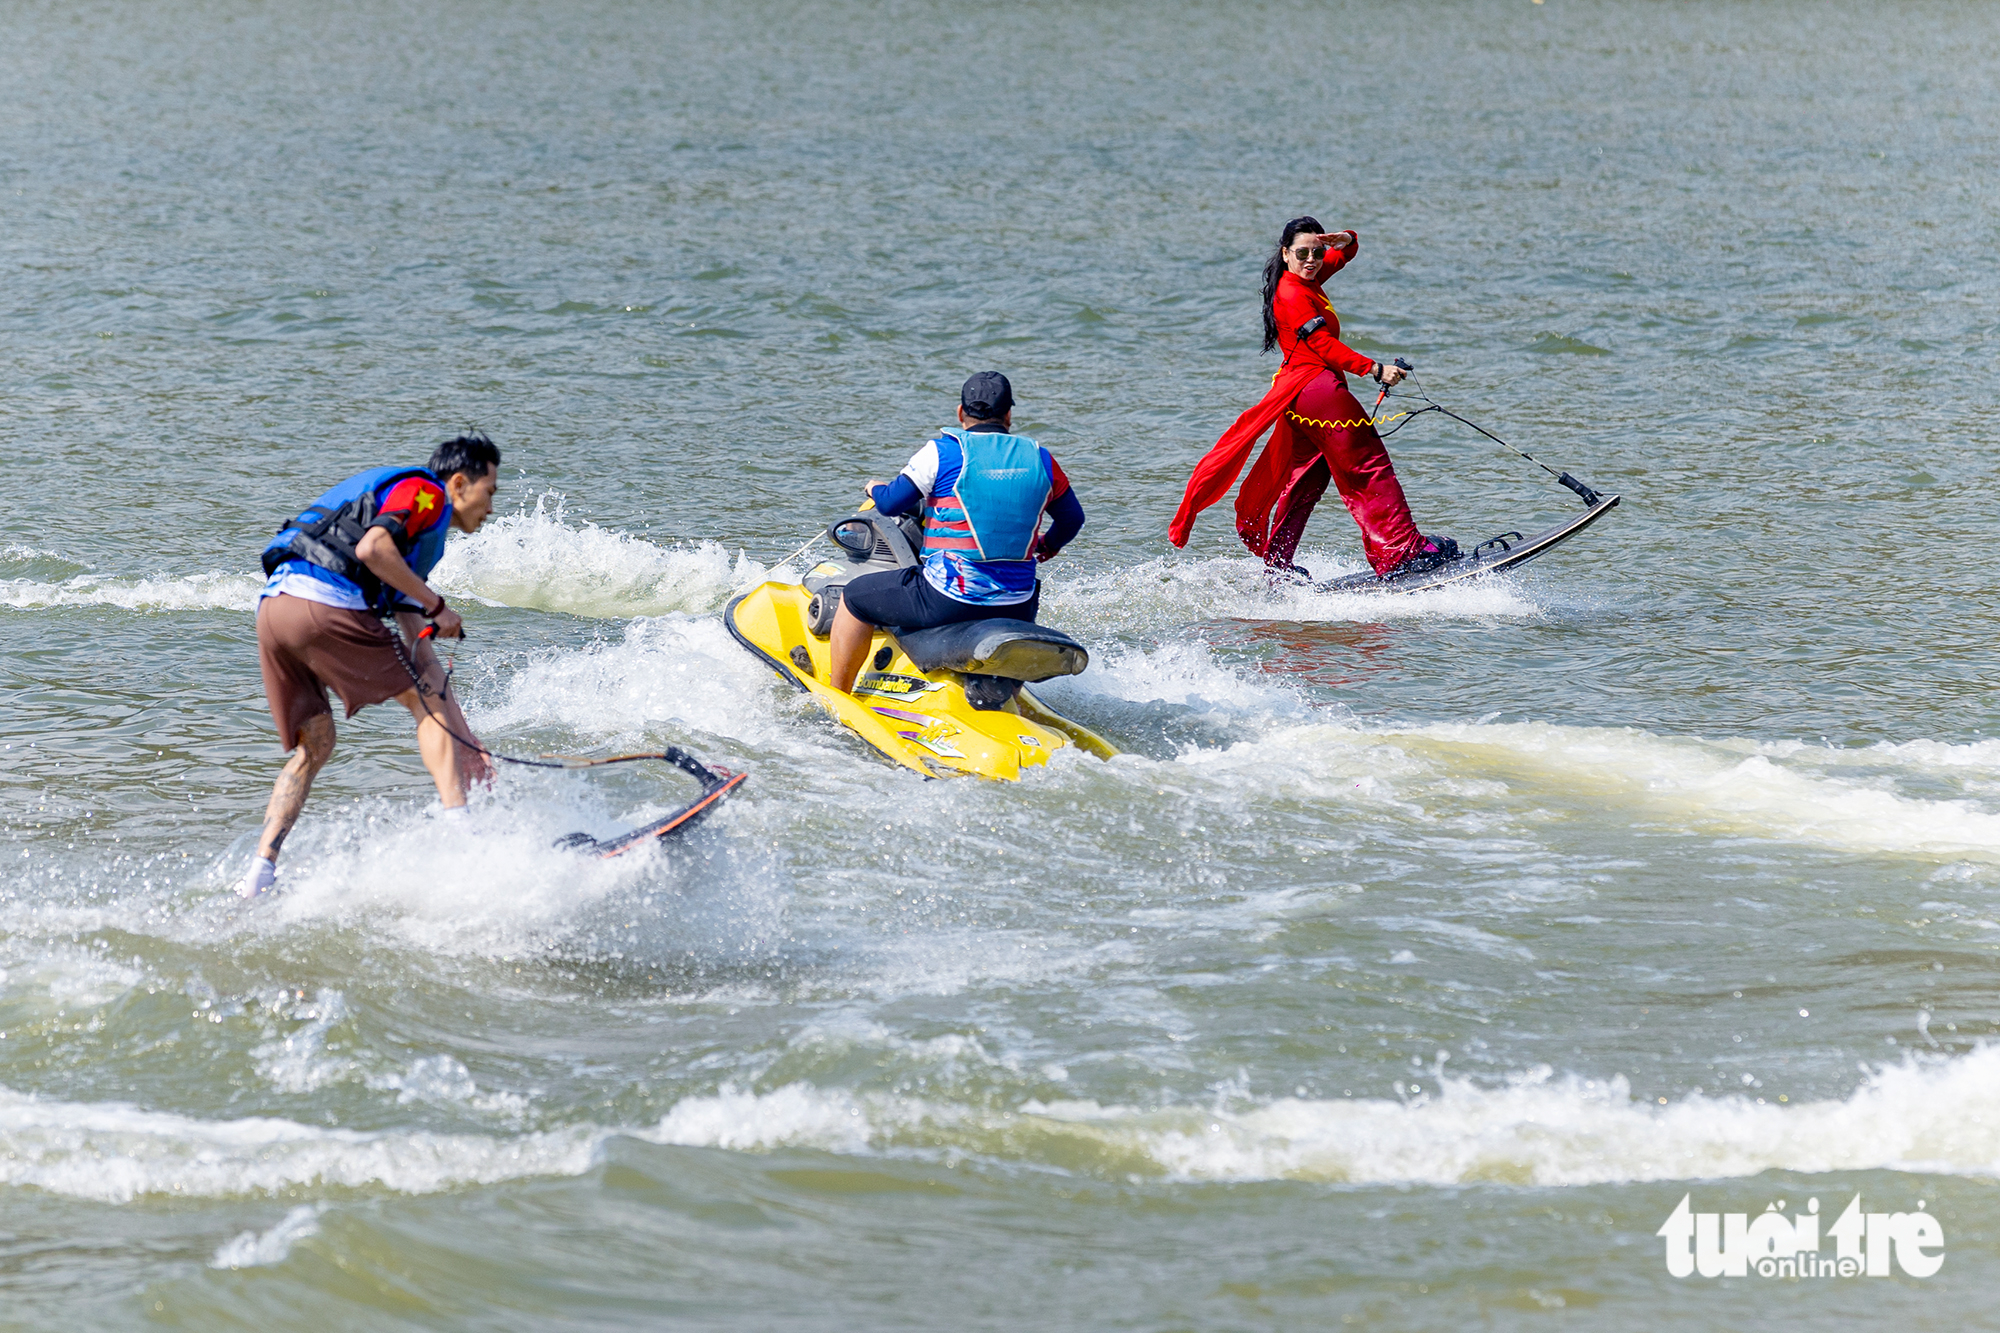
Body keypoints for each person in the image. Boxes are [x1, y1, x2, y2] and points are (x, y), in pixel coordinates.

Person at [238, 433, 501, 897]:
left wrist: (469, 743)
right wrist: (438, 607)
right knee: (422, 703)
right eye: (490, 492)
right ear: (459, 484)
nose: (491, 508)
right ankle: (466, 836)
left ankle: (258, 874)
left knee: (316, 743)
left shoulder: (418, 547)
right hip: (323, 602)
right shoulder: (426, 494)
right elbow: (371, 549)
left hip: (274, 611)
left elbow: (424, 660)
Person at [1168, 215, 1455, 580]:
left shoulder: (1310, 277)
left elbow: (1347, 253)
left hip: (1300, 396)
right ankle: (1403, 551)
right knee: (1368, 466)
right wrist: (1374, 368)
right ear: (1285, 254)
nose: (1312, 259)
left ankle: (1278, 567)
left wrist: (1344, 237)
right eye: (1302, 252)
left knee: (1306, 480)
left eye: (1317, 252)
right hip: (1319, 392)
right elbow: (1321, 344)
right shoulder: (1292, 293)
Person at [826, 372, 1085, 693]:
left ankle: (836, 697)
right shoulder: (1042, 458)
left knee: (855, 599)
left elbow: (891, 503)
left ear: (961, 413)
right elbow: (1072, 519)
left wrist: (874, 487)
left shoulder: (941, 452)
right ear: (1008, 415)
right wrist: (1047, 546)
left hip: (949, 599)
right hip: (1020, 604)